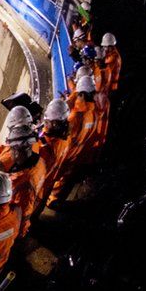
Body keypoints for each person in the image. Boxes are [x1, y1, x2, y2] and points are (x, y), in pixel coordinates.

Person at [0, 125, 45, 236]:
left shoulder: (22, 182)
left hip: (14, 226)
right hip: (29, 207)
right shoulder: (35, 156)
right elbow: (5, 149)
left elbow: (24, 211)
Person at [48, 76, 99, 206]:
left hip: (70, 156)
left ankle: (55, 201)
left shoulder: (74, 117)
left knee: (57, 186)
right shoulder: (93, 108)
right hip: (82, 153)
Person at [35, 98, 70, 212]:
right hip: (46, 190)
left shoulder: (45, 148)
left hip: (36, 190)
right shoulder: (65, 140)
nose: (44, 124)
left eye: (47, 122)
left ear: (55, 123)